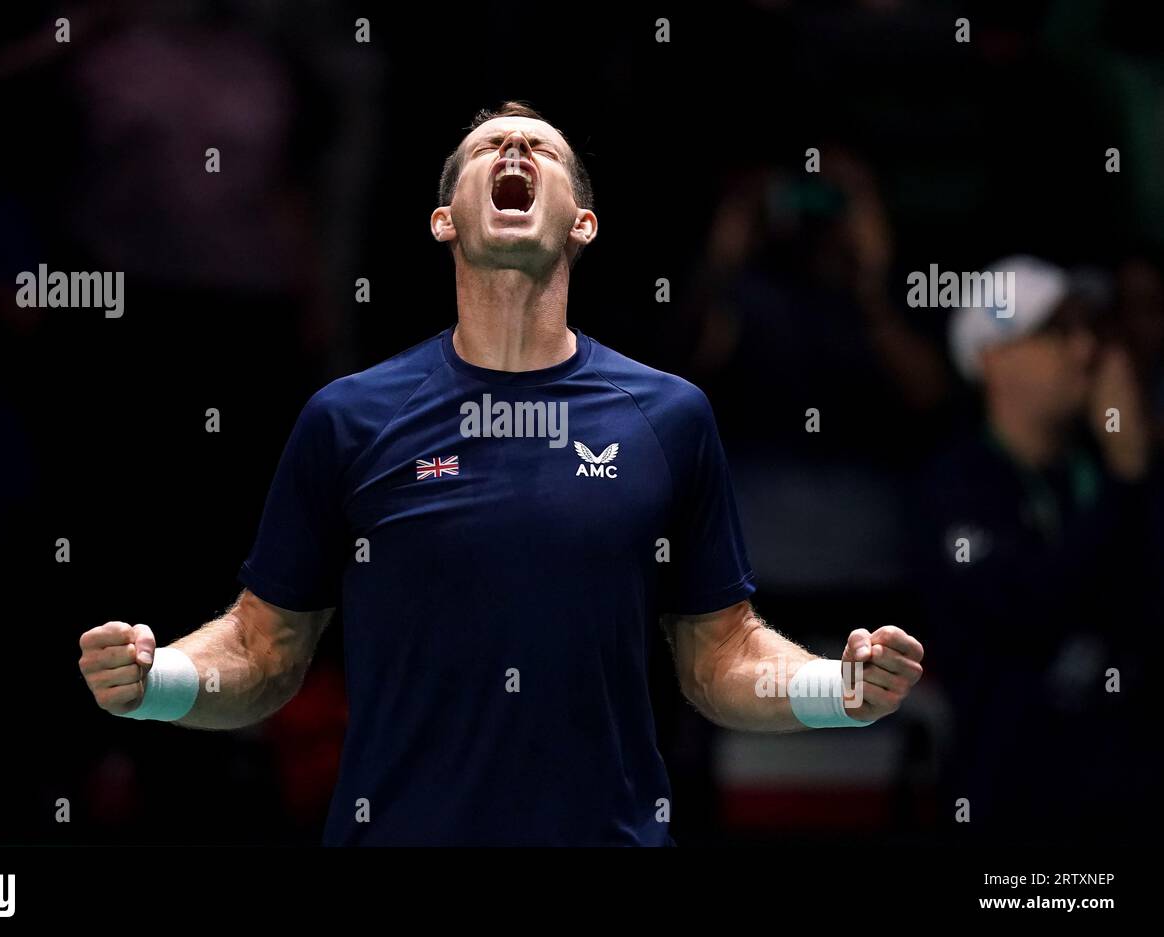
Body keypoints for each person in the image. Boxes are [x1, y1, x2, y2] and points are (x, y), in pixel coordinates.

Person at [78, 101, 924, 846]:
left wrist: (832, 687)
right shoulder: (349, 418)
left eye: (542, 150)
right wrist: (162, 681)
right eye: (490, 148)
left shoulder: (669, 417)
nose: (515, 153)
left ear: (582, 223)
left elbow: (722, 657)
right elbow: (265, 652)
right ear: (445, 219)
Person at [917, 255, 1156, 843]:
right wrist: (1127, 480)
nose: (1086, 351)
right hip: (1008, 815)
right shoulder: (956, 488)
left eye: (1088, 331)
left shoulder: (1101, 475)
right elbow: (1025, 606)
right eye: (1057, 332)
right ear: (990, 356)